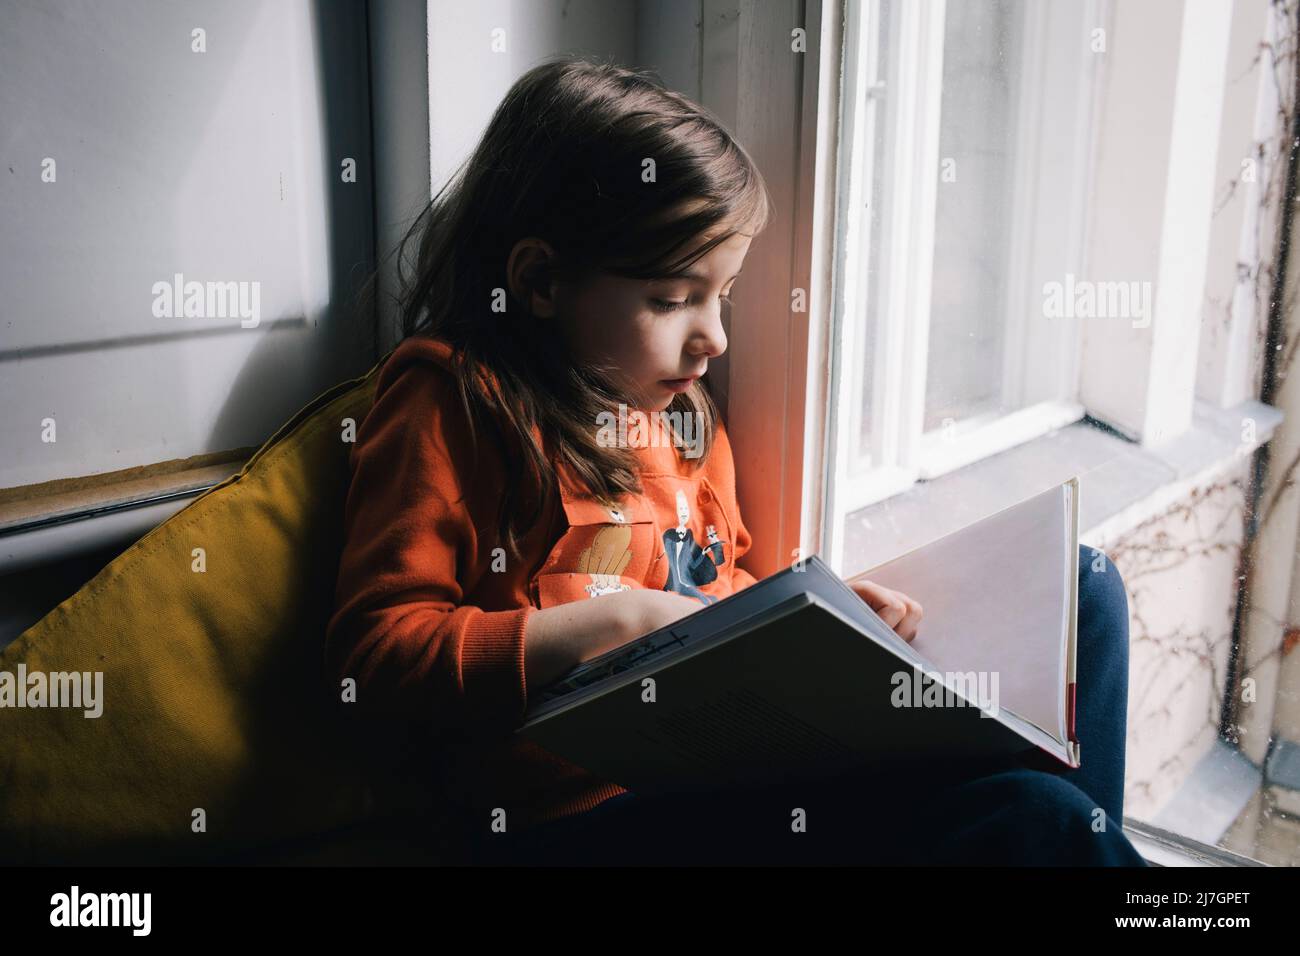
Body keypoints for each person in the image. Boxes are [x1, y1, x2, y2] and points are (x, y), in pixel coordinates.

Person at [325, 54, 1145, 867]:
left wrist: (817, 621)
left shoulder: (682, 420)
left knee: (1086, 594)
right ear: (540, 280)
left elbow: (713, 589)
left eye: (722, 295)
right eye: (673, 300)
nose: (713, 338)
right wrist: (613, 624)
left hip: (726, 783)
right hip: (561, 823)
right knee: (1036, 819)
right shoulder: (453, 405)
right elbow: (374, 659)